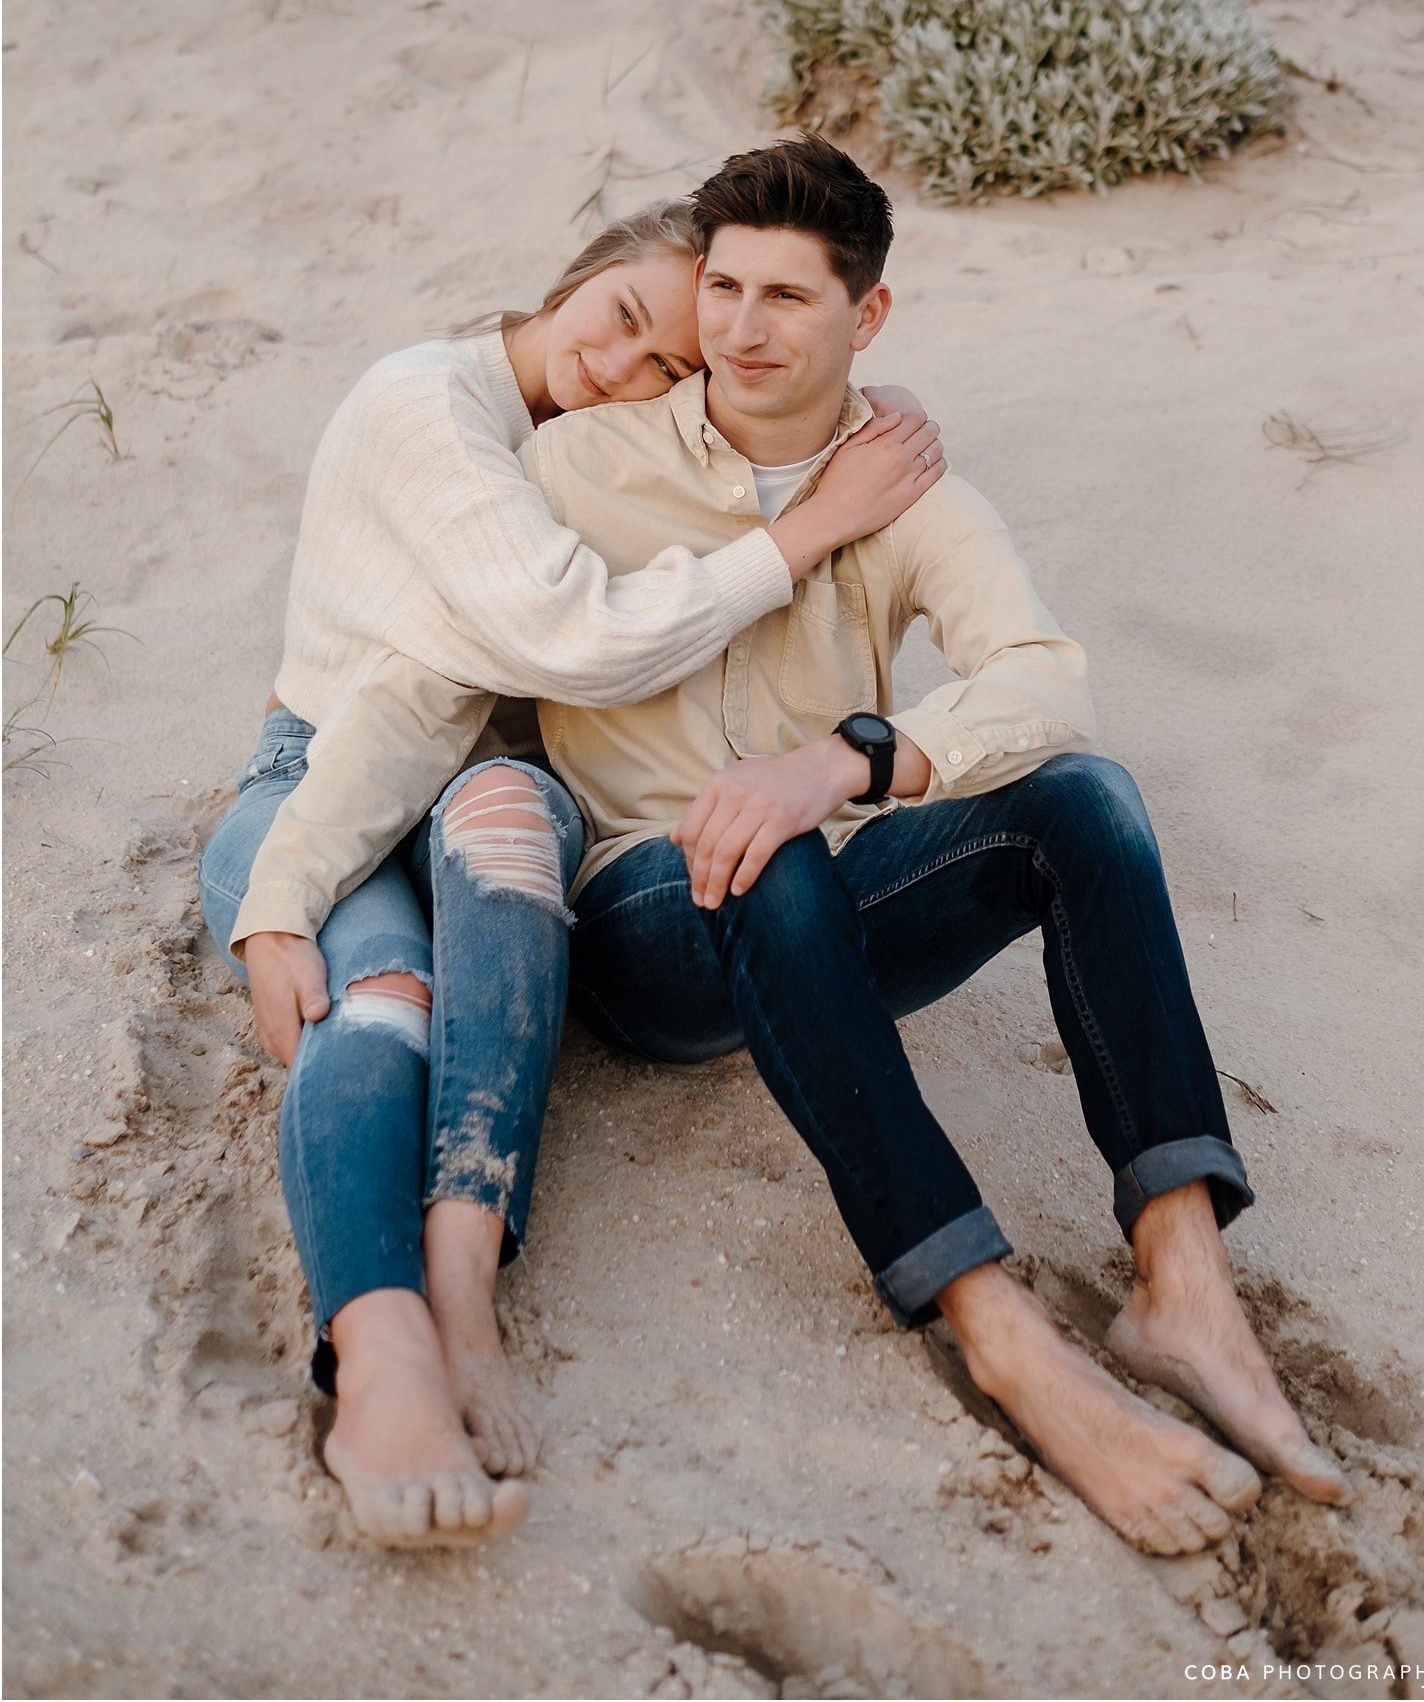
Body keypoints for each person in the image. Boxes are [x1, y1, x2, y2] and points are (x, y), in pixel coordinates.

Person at [199, 198, 945, 1550]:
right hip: (321, 774)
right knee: (385, 996)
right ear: (573, 279)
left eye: (669, 365)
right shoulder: (426, 405)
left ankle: (466, 1279)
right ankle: (382, 1362)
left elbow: (750, 439)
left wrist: (854, 418)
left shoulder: (595, 451)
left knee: (509, 820)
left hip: (482, 775)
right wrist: (812, 527)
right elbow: (565, 632)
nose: (622, 368)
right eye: (621, 318)